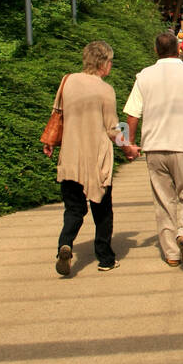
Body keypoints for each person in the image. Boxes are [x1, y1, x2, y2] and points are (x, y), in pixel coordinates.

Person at [123, 31, 183, 268]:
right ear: (179, 50)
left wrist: (129, 143)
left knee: (163, 201)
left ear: (155, 51)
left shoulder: (144, 76)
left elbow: (132, 114)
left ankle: (172, 254)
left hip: (154, 148)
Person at [46, 40, 126, 276]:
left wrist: (50, 142)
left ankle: (66, 243)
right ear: (103, 63)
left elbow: (56, 114)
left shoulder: (67, 81)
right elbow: (113, 129)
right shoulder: (105, 90)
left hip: (70, 156)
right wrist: (127, 145)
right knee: (102, 211)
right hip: (96, 160)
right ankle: (105, 258)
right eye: (110, 61)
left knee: (73, 209)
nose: (111, 66)